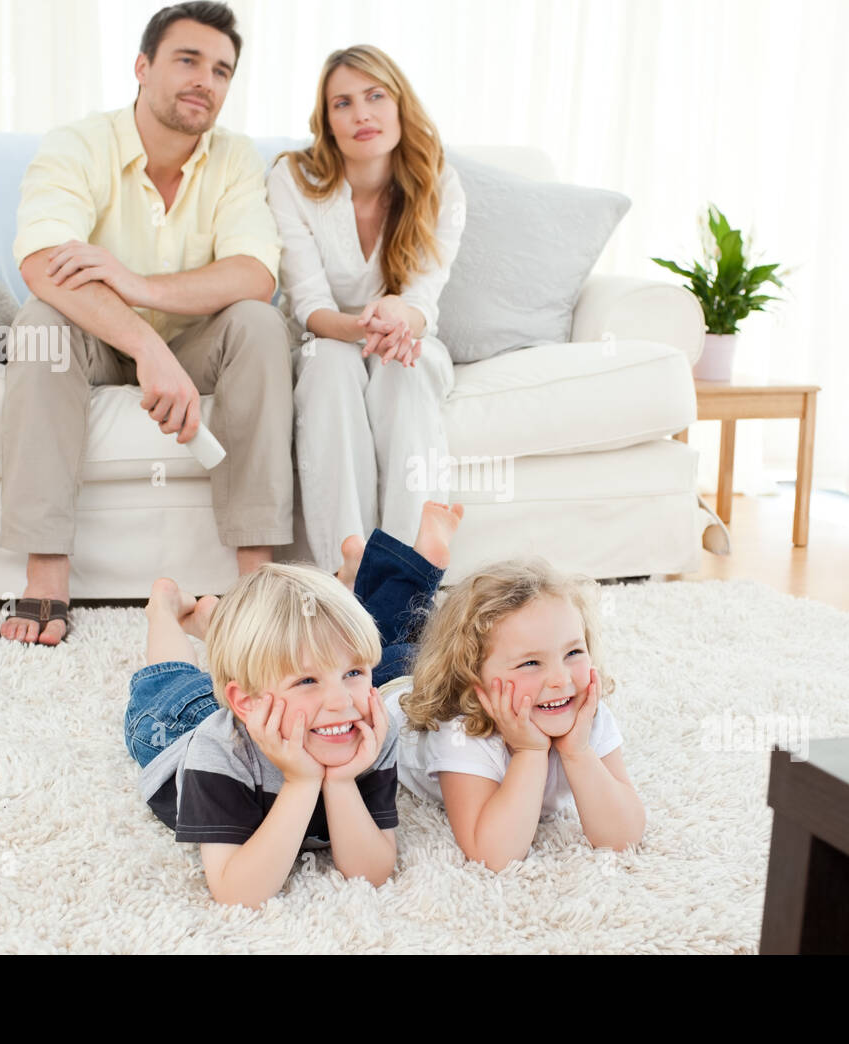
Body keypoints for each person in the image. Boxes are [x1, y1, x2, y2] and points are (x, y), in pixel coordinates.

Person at [0, 2, 292, 645]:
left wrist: (136, 285)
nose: (205, 81)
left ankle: (256, 583)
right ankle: (46, 573)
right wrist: (143, 343)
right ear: (142, 66)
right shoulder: (78, 143)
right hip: (97, 337)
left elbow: (254, 274)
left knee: (260, 324)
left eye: (221, 70)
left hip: (197, 339)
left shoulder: (237, 158)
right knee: (41, 320)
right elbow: (45, 261)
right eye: (188, 60)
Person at [126, 501, 464, 906]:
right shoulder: (217, 750)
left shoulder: (370, 732)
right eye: (308, 680)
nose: (341, 702)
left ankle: (221, 627)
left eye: (354, 673)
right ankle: (163, 609)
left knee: (267, 657)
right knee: (174, 680)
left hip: (270, 705)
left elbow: (371, 872)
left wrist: (338, 780)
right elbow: (237, 892)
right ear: (244, 701)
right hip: (182, 723)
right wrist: (302, 782)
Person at [266, 44, 465, 573]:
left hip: (406, 337)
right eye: (343, 103)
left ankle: (407, 574)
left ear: (400, 104)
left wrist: (399, 320)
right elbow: (309, 304)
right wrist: (363, 326)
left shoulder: (437, 182)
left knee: (409, 365)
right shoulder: (292, 179)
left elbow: (425, 295)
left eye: (375, 96)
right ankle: (347, 573)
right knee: (330, 364)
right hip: (325, 337)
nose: (361, 114)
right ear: (326, 121)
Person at [387, 561, 646, 870]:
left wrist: (578, 752)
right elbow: (493, 855)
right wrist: (530, 752)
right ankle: (399, 566)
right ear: (471, 677)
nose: (560, 680)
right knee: (383, 633)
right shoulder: (460, 732)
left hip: (415, 674)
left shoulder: (585, 712)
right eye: (531, 663)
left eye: (573, 653)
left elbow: (623, 836)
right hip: (386, 686)